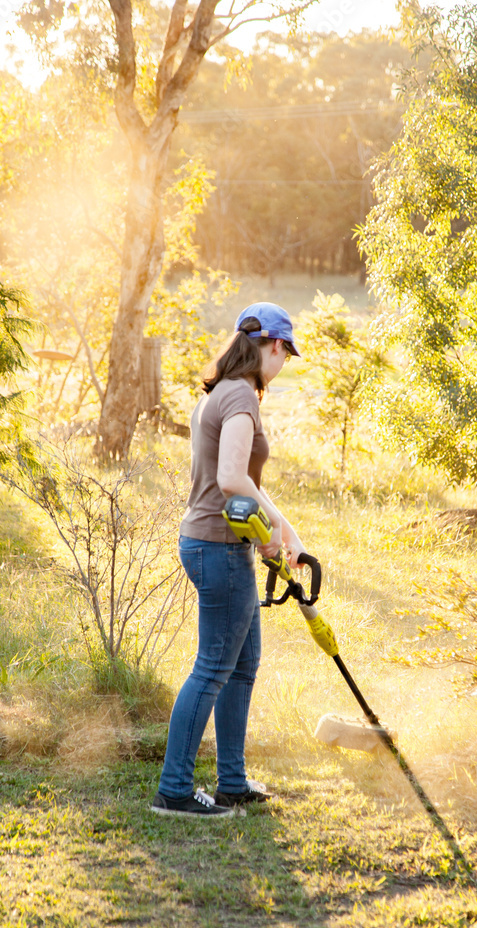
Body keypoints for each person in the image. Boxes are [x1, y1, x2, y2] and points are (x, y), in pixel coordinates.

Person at [152, 302, 305, 818]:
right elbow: (233, 480)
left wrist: (276, 533)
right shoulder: (240, 396)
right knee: (215, 668)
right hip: (218, 546)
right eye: (286, 354)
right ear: (275, 346)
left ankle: (232, 781)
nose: (283, 366)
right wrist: (277, 532)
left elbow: (240, 486)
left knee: (241, 667)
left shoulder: (222, 390)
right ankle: (174, 790)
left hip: (220, 541)